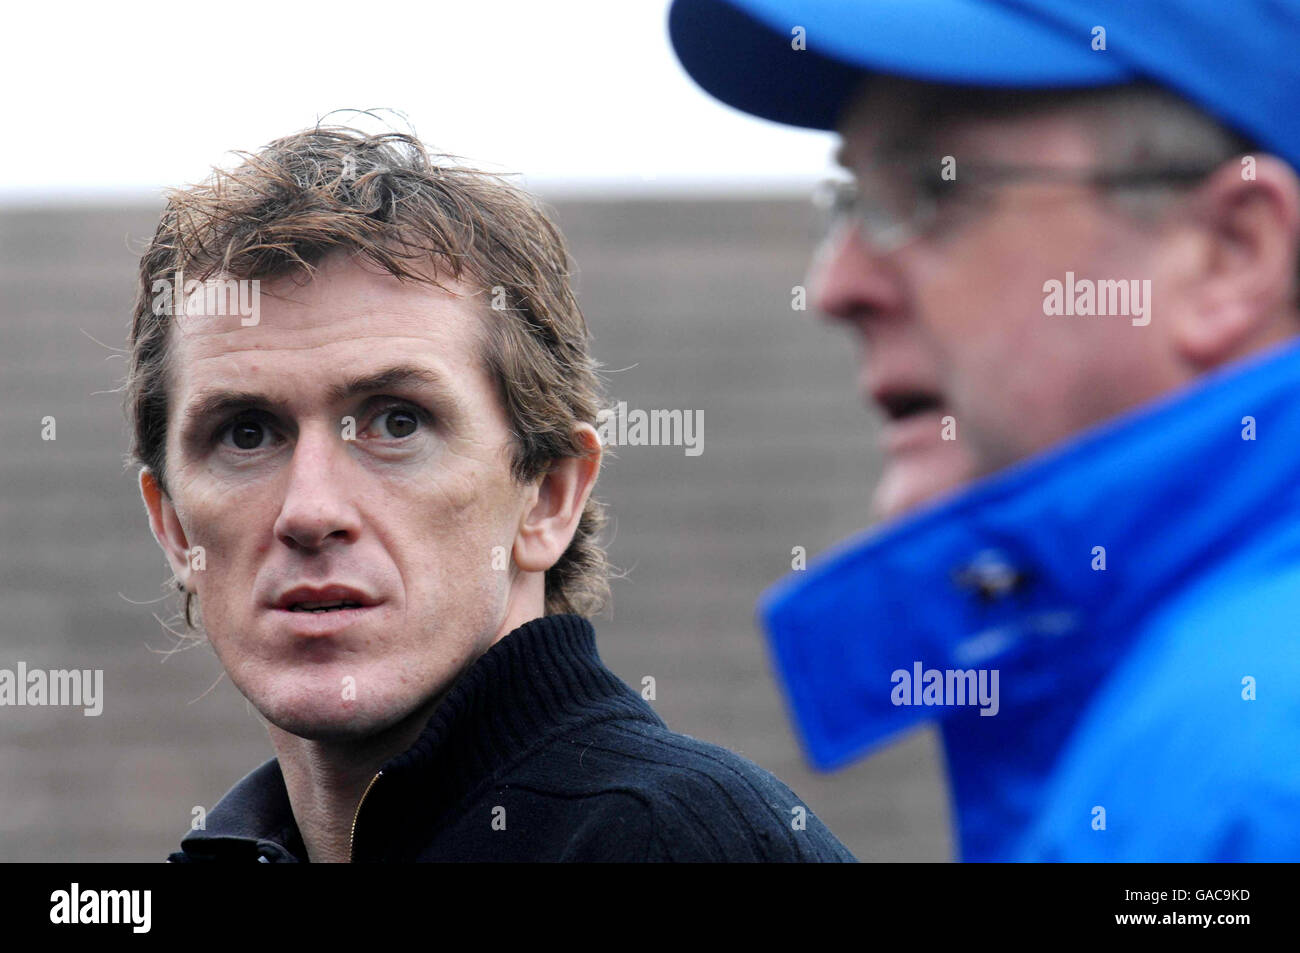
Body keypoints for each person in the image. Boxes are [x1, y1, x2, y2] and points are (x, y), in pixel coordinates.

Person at [669, 0, 1300, 860]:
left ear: (1233, 252)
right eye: (849, 200)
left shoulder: (1246, 783)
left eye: (934, 188)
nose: (836, 284)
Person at [128, 125, 854, 863]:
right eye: (247, 434)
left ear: (548, 496)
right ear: (173, 526)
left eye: (396, 421)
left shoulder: (676, 842)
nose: (310, 511)